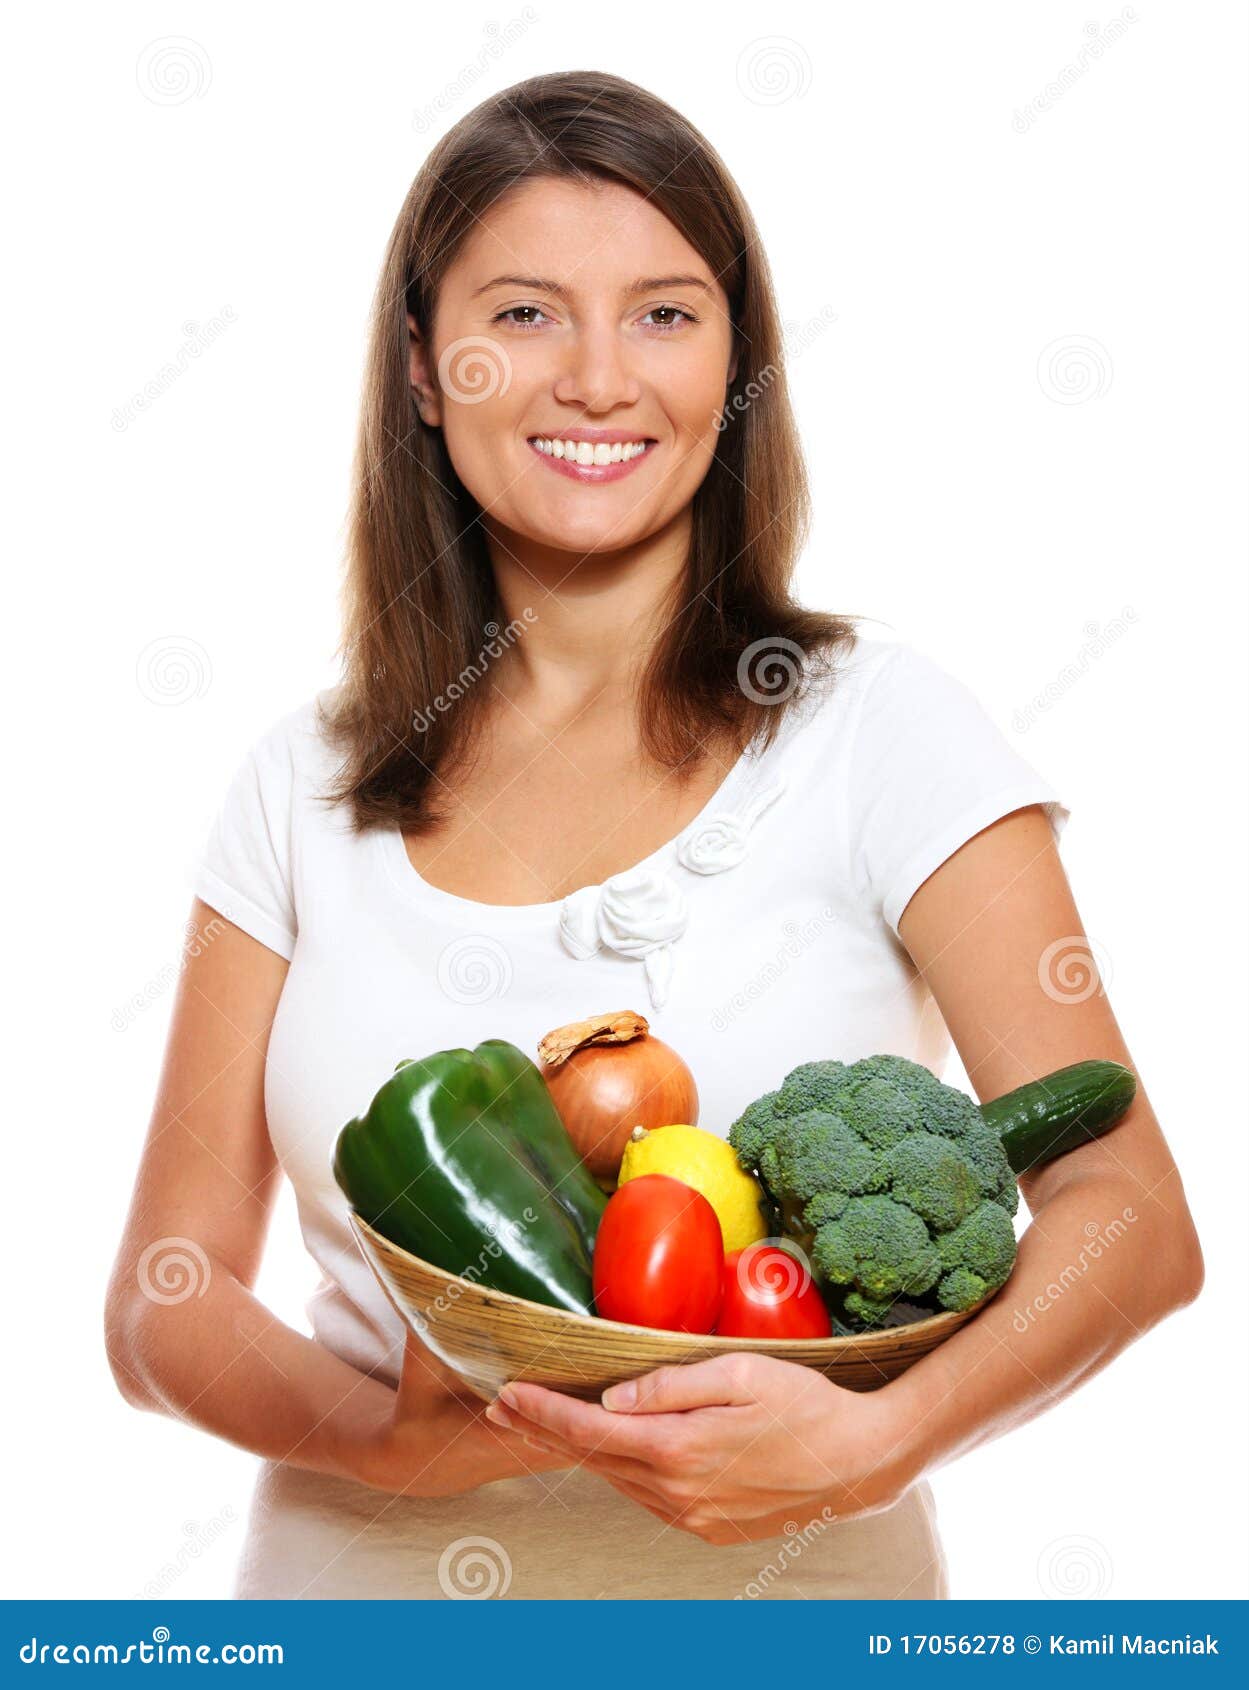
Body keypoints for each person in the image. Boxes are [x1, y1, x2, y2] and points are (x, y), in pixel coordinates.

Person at [104, 69, 1202, 1601]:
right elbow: (166, 1301)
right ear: (424, 368)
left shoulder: (886, 733)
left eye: (667, 314)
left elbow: (1134, 1217)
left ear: (739, 362)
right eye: (525, 315)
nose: (600, 380)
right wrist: (384, 1441)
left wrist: (881, 1442)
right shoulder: (302, 783)